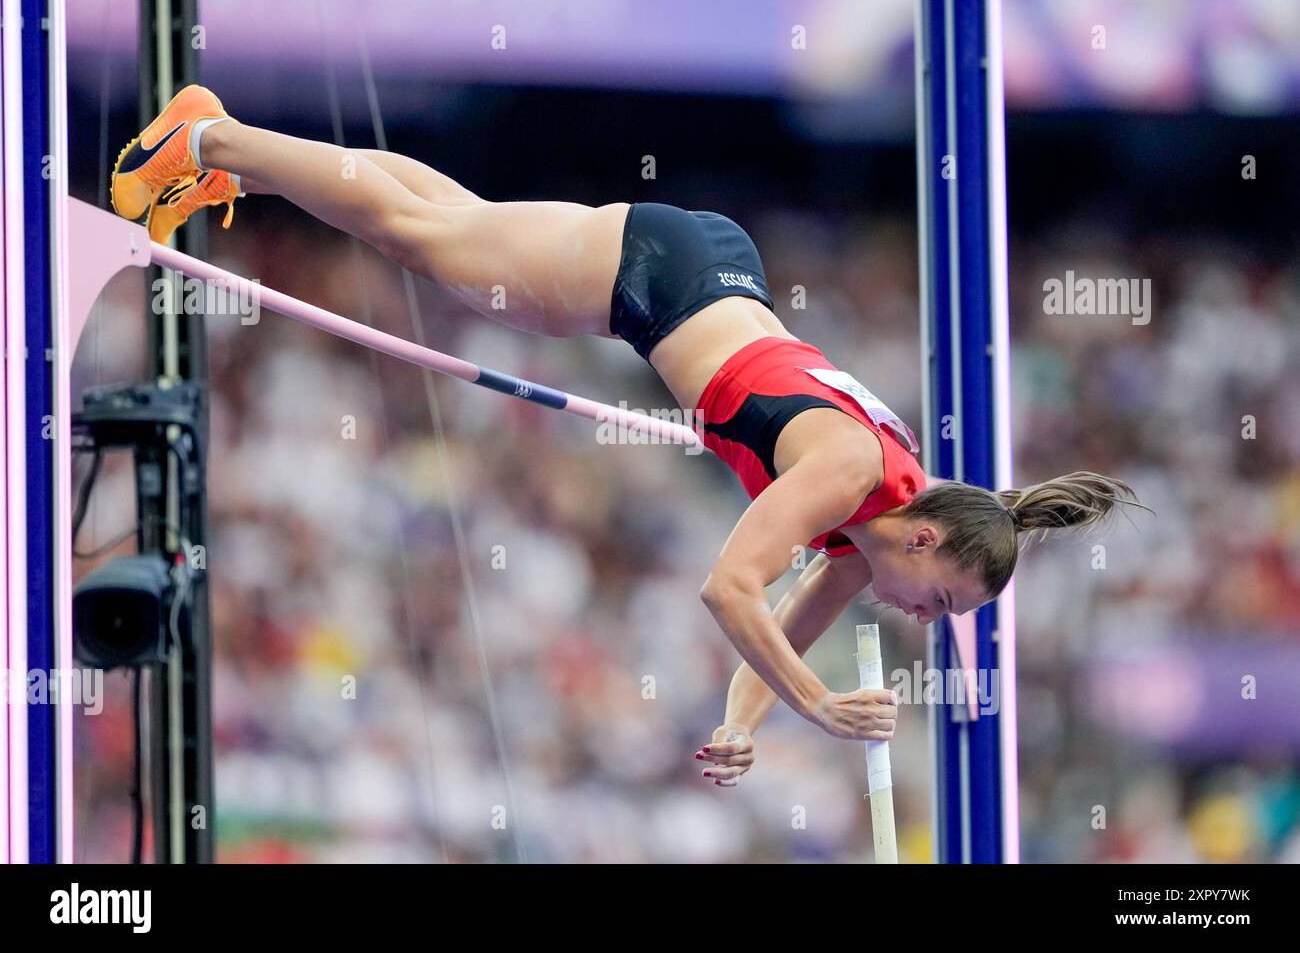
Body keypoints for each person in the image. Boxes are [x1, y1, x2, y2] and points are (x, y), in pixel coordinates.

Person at [112, 86, 1146, 787]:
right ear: (927, 542)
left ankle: (225, 160)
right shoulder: (847, 474)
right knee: (429, 241)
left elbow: (768, 640)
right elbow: (727, 591)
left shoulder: (864, 531)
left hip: (691, 275)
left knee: (449, 224)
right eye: (942, 601)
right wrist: (823, 709)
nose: (924, 618)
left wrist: (746, 722)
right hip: (660, 283)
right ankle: (208, 140)